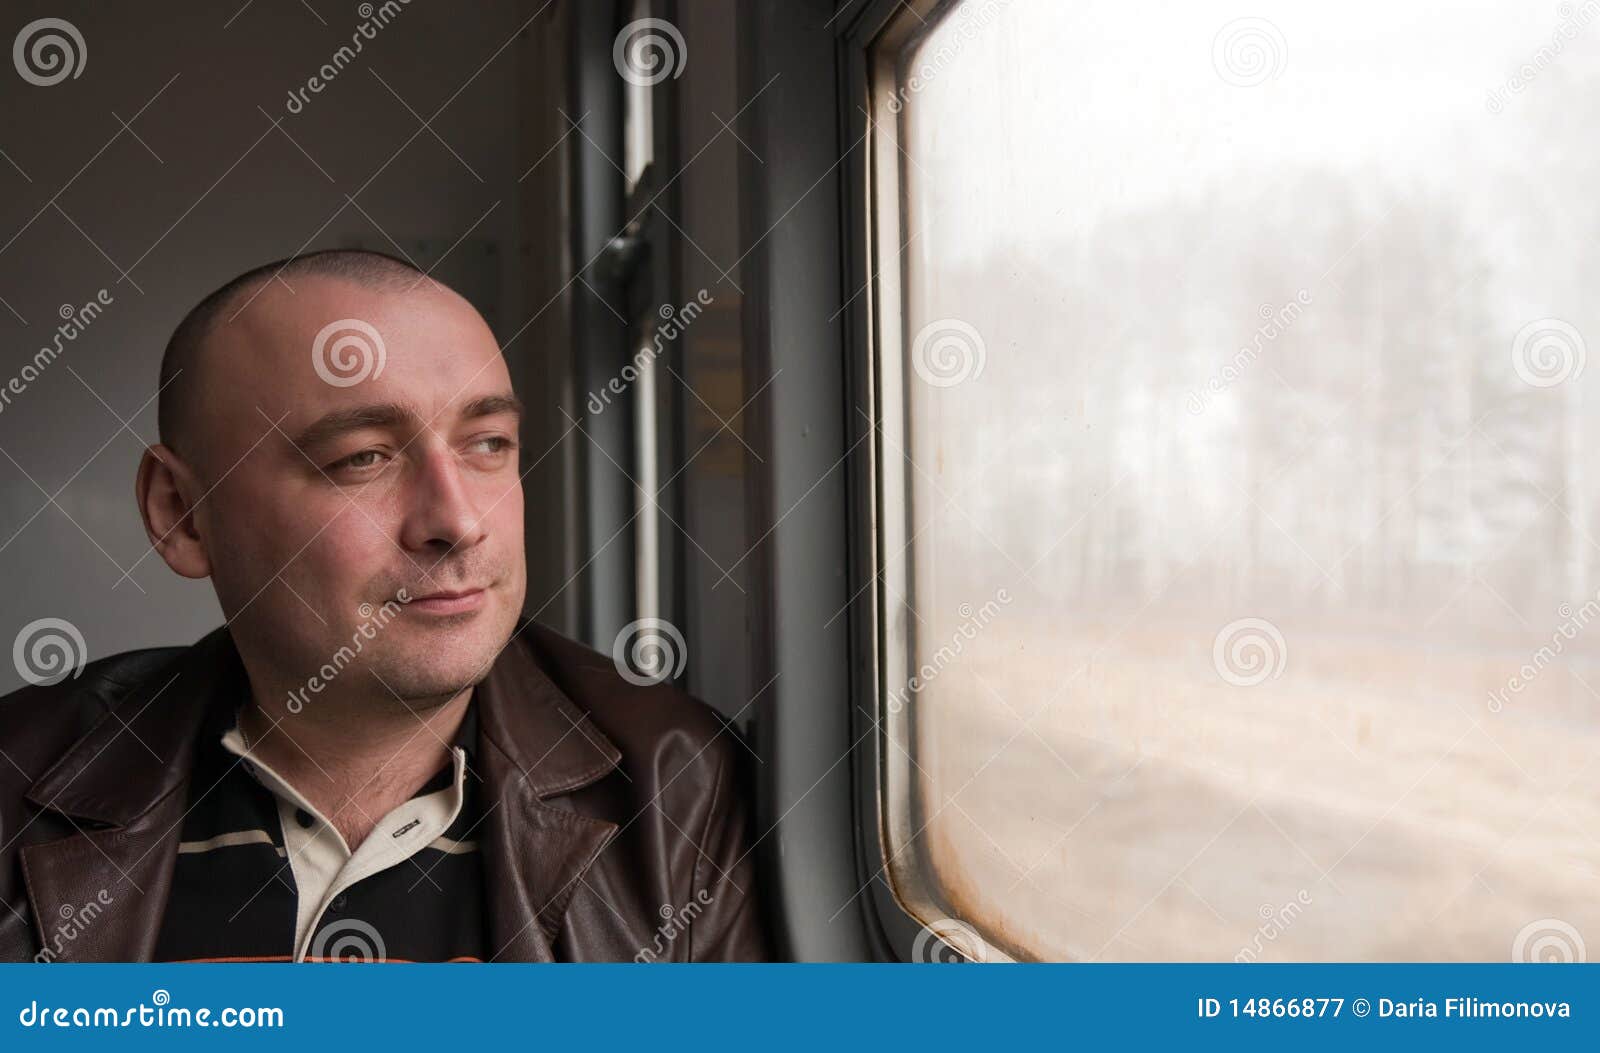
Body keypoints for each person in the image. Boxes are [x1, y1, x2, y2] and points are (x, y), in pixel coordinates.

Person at [0, 250, 765, 962]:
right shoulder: (16, 778)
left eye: (488, 442)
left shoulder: (673, 788)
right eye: (362, 457)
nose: (459, 519)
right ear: (183, 512)